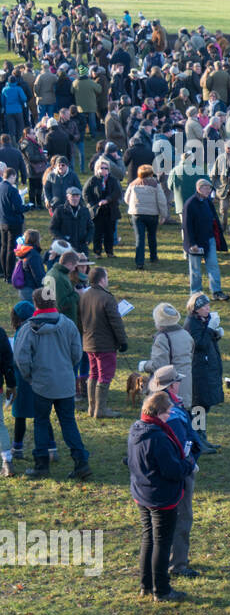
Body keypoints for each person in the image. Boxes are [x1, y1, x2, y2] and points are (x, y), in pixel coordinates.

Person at [15, 290, 90, 480]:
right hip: (64, 382)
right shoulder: (68, 325)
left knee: (41, 422)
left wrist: (30, 376)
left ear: (36, 303)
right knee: (68, 422)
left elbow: (21, 358)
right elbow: (76, 354)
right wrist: (67, 368)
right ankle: (81, 462)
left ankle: (41, 465)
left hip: (41, 384)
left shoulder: (28, 328)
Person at [128, 391, 195, 602]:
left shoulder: (136, 429)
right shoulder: (159, 438)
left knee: (148, 539)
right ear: (158, 413)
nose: (169, 416)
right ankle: (162, 590)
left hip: (142, 492)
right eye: (167, 412)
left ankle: (146, 584)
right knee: (162, 542)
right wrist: (188, 463)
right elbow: (173, 470)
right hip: (161, 497)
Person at [78, 266, 127, 419]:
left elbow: (80, 319)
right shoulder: (107, 298)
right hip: (105, 344)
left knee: (93, 374)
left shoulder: (84, 296)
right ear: (101, 279)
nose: (107, 280)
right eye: (106, 277)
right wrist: (122, 341)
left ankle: (92, 408)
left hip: (88, 342)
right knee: (105, 376)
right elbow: (116, 322)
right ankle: (101, 409)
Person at [186, 293, 224, 451]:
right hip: (198, 370)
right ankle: (197, 441)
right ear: (196, 309)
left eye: (208, 305)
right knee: (198, 406)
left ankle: (202, 438)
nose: (208, 308)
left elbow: (207, 340)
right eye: (204, 306)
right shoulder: (191, 324)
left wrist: (216, 333)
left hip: (208, 369)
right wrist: (210, 329)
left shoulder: (203, 320)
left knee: (204, 405)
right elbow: (199, 344)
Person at [182, 178, 228, 301]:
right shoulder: (190, 204)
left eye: (209, 188)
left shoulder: (207, 201)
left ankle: (216, 291)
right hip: (196, 242)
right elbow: (186, 226)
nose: (209, 191)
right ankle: (196, 294)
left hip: (209, 239)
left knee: (213, 266)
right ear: (199, 188)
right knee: (195, 270)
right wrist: (192, 243)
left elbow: (214, 219)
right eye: (206, 188)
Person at [123, 164, 167, 269]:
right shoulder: (155, 184)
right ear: (151, 173)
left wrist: (133, 205)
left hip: (137, 214)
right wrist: (164, 215)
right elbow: (161, 201)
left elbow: (126, 199)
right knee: (152, 236)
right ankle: (153, 256)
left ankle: (139, 262)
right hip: (152, 214)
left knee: (140, 238)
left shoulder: (133, 184)